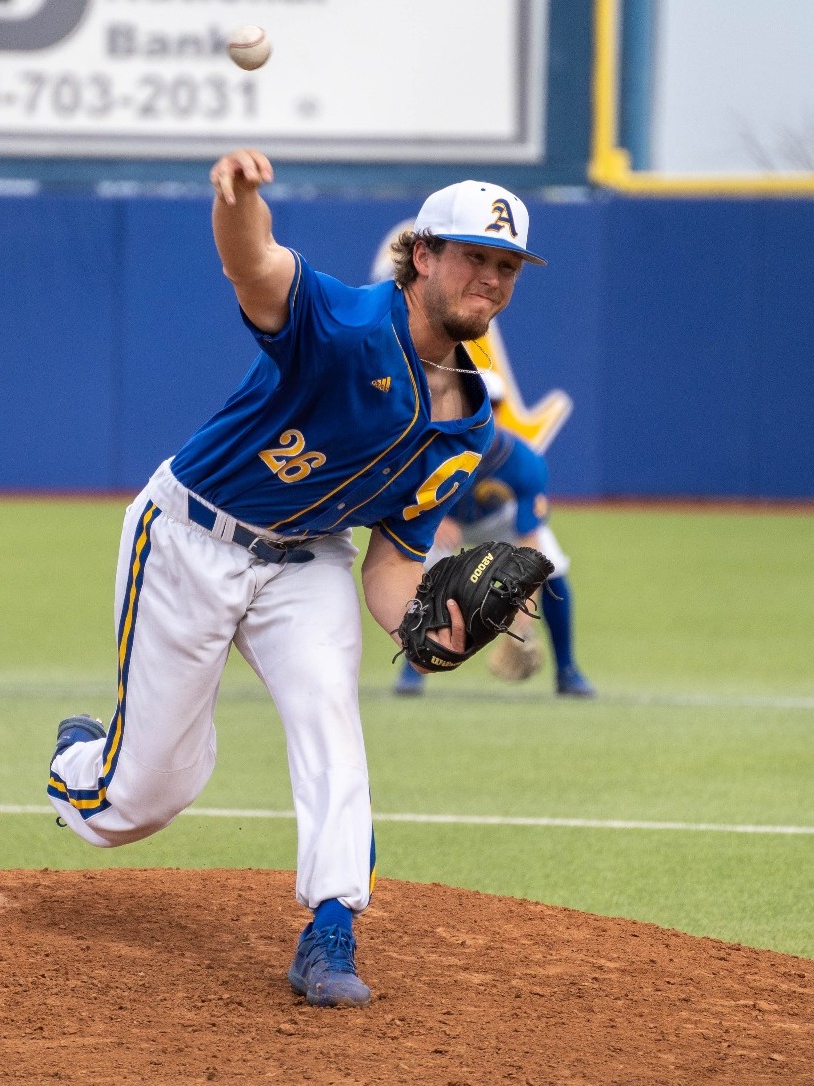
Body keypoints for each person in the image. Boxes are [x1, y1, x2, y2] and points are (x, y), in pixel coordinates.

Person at [44, 149, 546, 1008]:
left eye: (505, 266)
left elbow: (394, 559)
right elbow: (255, 264)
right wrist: (234, 200)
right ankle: (80, 758)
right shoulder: (347, 324)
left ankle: (330, 931)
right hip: (191, 536)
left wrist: (427, 631)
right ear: (422, 255)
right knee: (141, 803)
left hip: (308, 557)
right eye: (473, 257)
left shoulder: (468, 424)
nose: (490, 280)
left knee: (331, 723)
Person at [393, 415, 596, 698]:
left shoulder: (524, 462)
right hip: (440, 519)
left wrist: (523, 620)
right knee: (417, 578)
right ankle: (411, 668)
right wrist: (434, 517)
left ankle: (567, 671)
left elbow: (531, 549)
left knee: (553, 569)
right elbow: (401, 490)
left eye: (495, 404)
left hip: (500, 520)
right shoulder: (431, 445)